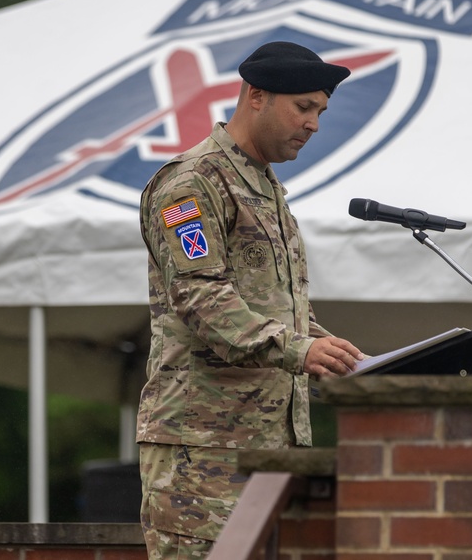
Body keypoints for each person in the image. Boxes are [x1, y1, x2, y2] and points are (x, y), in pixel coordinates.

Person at [136, 41, 364, 560]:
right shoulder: (191, 184)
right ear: (255, 97)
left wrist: (343, 354)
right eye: (303, 107)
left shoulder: (263, 188)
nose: (313, 125)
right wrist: (299, 350)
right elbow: (200, 297)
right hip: (204, 448)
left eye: (320, 112)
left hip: (270, 446)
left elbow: (280, 313)